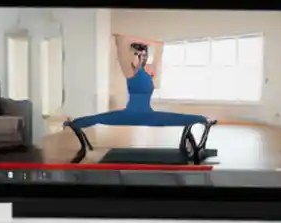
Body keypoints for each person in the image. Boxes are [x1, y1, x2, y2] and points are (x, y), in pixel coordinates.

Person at [64, 35, 216, 159]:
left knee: (177, 118)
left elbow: (158, 56)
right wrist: (122, 40)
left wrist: (155, 46)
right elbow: (121, 47)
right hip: (130, 114)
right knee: (98, 117)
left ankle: (203, 119)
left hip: (146, 114)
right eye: (138, 55)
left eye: (143, 55)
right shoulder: (130, 72)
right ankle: (74, 123)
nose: (141, 57)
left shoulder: (148, 74)